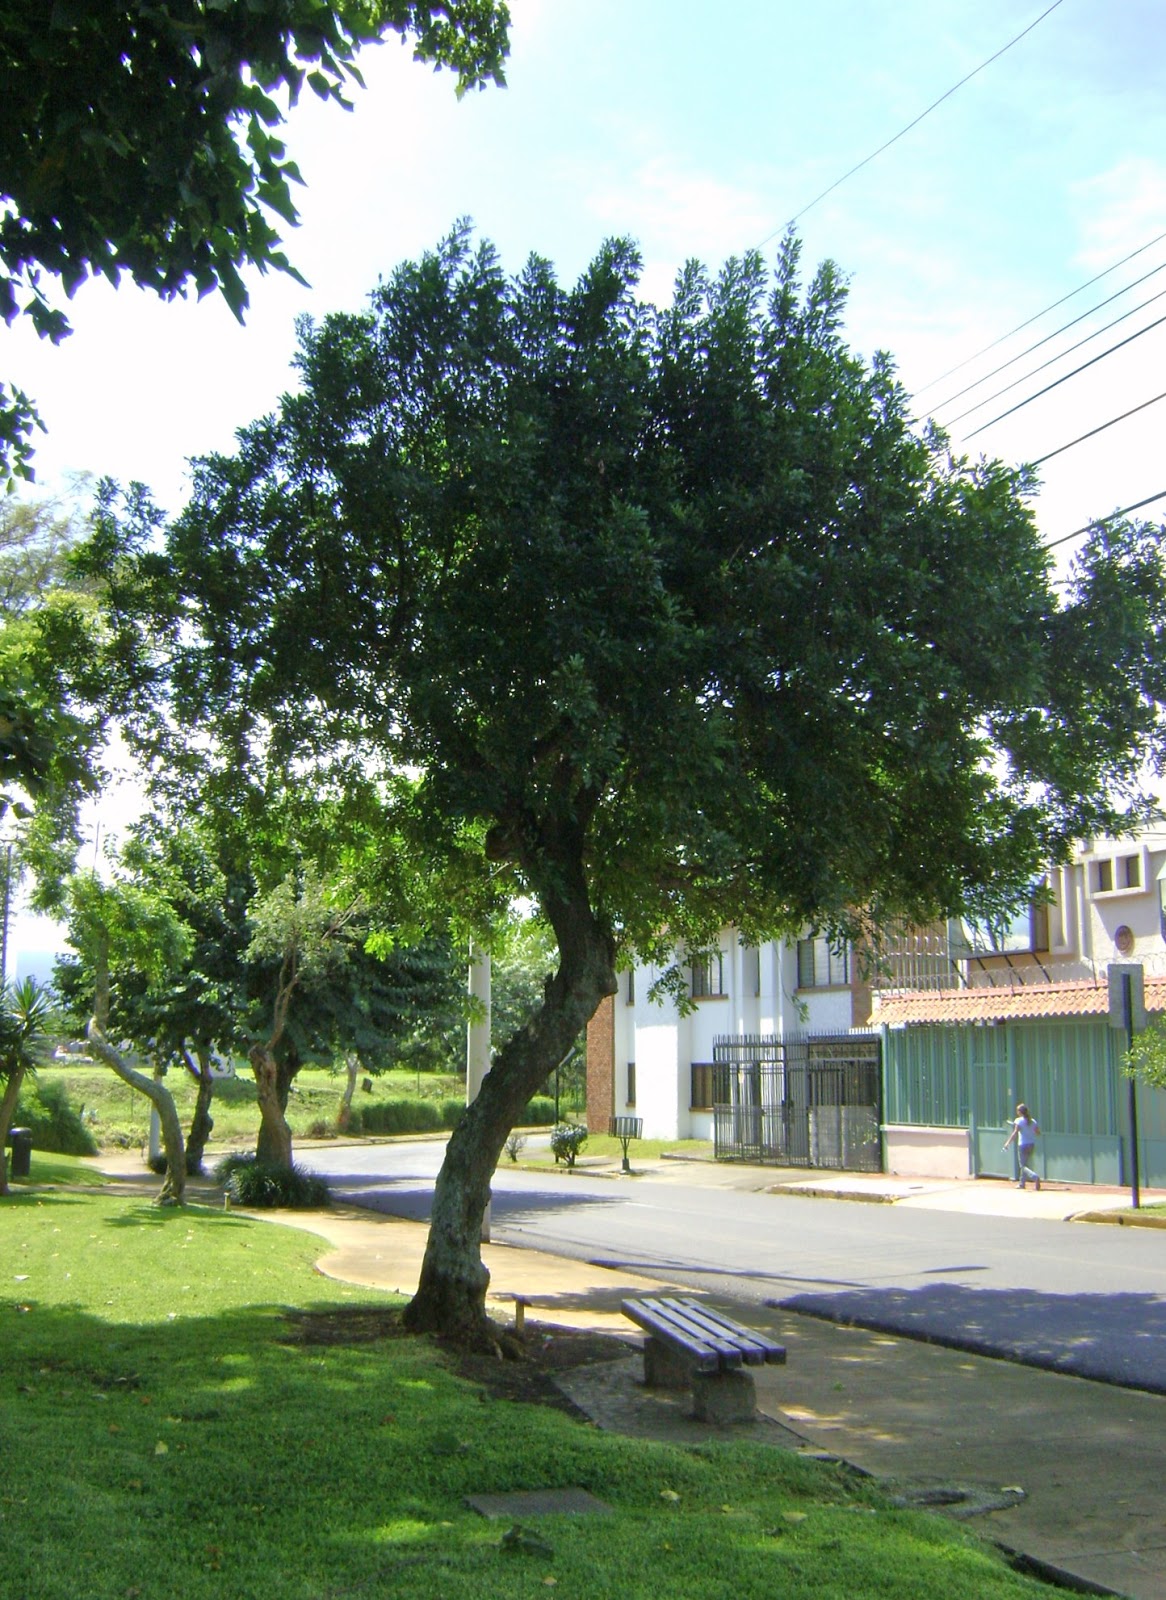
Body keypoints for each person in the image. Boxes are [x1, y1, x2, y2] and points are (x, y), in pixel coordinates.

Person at [1003, 1103, 1041, 1190]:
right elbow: (1038, 1133)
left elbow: (1015, 1133)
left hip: (1023, 1145)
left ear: (1020, 1112)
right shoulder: (1033, 1121)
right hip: (1031, 1144)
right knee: (1025, 1164)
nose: (1017, 1112)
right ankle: (1022, 1184)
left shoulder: (1018, 1121)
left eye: (1017, 1110)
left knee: (1023, 1166)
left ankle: (1035, 1177)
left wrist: (1007, 1143)